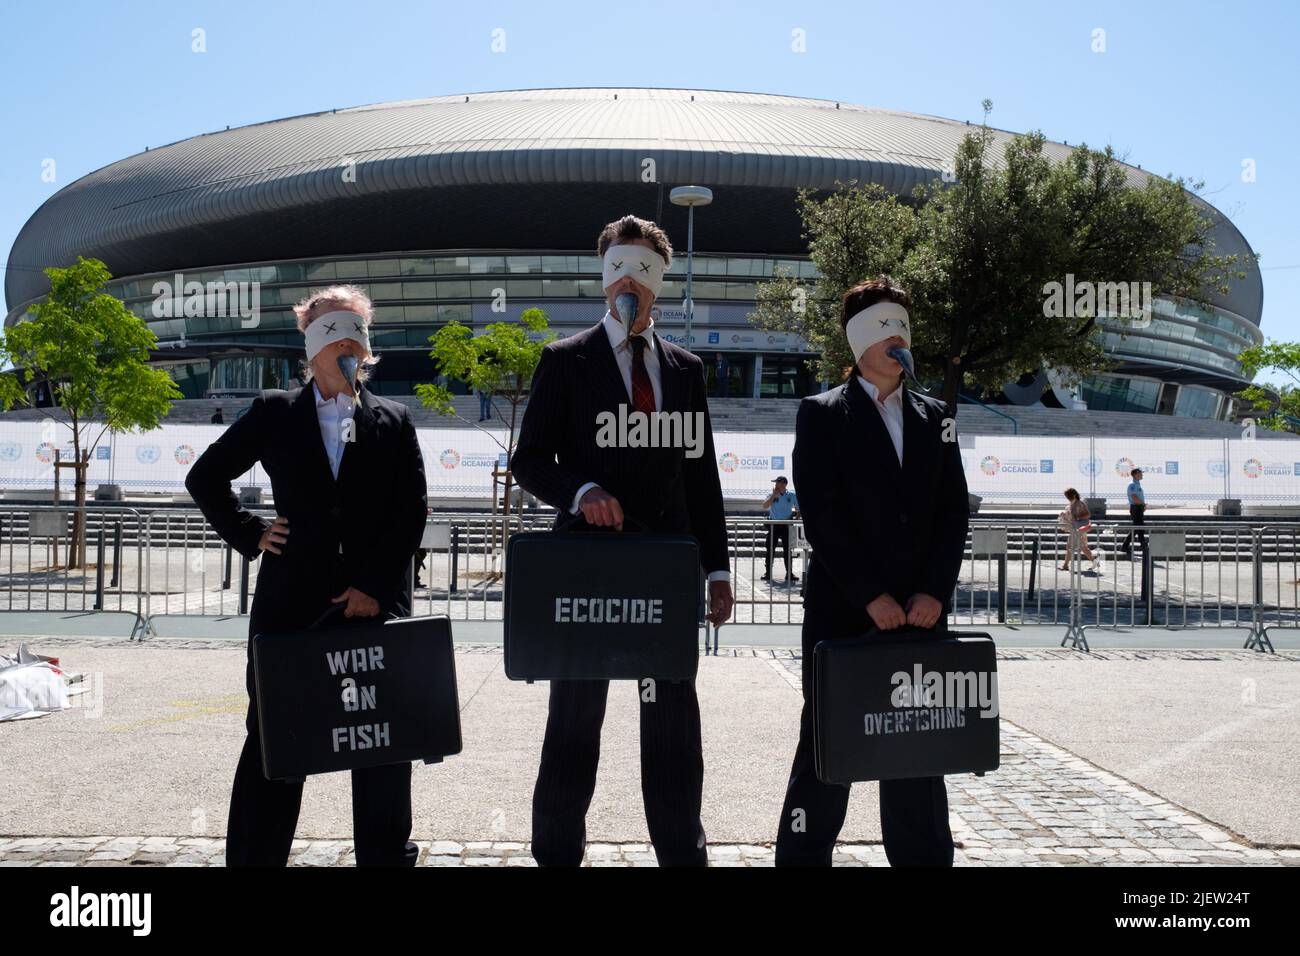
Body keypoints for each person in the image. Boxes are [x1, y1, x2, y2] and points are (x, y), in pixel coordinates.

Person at [511, 214, 734, 867]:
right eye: (617, 270)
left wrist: (717, 570)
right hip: (585, 567)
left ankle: (680, 851)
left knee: (671, 720)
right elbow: (530, 462)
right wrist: (581, 491)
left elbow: (702, 477)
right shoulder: (564, 360)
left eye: (641, 271)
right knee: (574, 720)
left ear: (659, 284)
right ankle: (556, 851)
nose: (627, 284)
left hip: (664, 571)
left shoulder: (686, 371)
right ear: (603, 278)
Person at [185, 284, 428, 867]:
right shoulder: (274, 412)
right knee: (274, 733)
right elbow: (205, 477)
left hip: (374, 607)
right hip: (291, 603)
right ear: (310, 344)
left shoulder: (394, 420)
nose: (345, 339)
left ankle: (385, 856)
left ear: (367, 345)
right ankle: (254, 858)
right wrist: (250, 531)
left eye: (356, 329)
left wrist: (373, 585)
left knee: (381, 739)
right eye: (331, 329)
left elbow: (410, 511)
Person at [774, 276, 969, 867]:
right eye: (884, 328)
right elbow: (824, 518)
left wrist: (934, 589)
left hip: (920, 614)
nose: (898, 341)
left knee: (916, 743)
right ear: (857, 341)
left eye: (903, 328)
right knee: (827, 744)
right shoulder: (821, 414)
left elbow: (952, 510)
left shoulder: (938, 415)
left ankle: (924, 858)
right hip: (845, 613)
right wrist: (871, 596)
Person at [760, 476, 799, 583]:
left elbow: (798, 508)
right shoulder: (771, 495)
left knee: (788, 551)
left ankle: (789, 573)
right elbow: (764, 506)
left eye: (778, 483)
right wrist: (773, 495)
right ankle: (768, 573)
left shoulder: (791, 495)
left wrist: (795, 520)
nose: (776, 485)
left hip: (786, 525)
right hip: (774, 525)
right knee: (770, 549)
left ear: (783, 484)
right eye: (776, 483)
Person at [1058, 488, 1099, 572]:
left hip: (1079, 528)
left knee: (1071, 546)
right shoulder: (1071, 504)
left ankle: (1065, 565)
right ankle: (1095, 562)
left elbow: (1088, 515)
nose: (1066, 497)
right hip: (1076, 528)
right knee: (1083, 547)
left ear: (1073, 495)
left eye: (1067, 496)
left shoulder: (1079, 504)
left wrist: (1077, 517)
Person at [1119, 468, 1147, 556]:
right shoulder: (1132, 485)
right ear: (1135, 474)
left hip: (1138, 508)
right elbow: (1134, 498)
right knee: (1139, 527)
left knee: (1136, 528)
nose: (1142, 475)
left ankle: (1126, 545)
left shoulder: (1137, 484)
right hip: (1136, 508)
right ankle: (1143, 546)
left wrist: (1142, 505)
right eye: (1140, 473)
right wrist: (1143, 504)